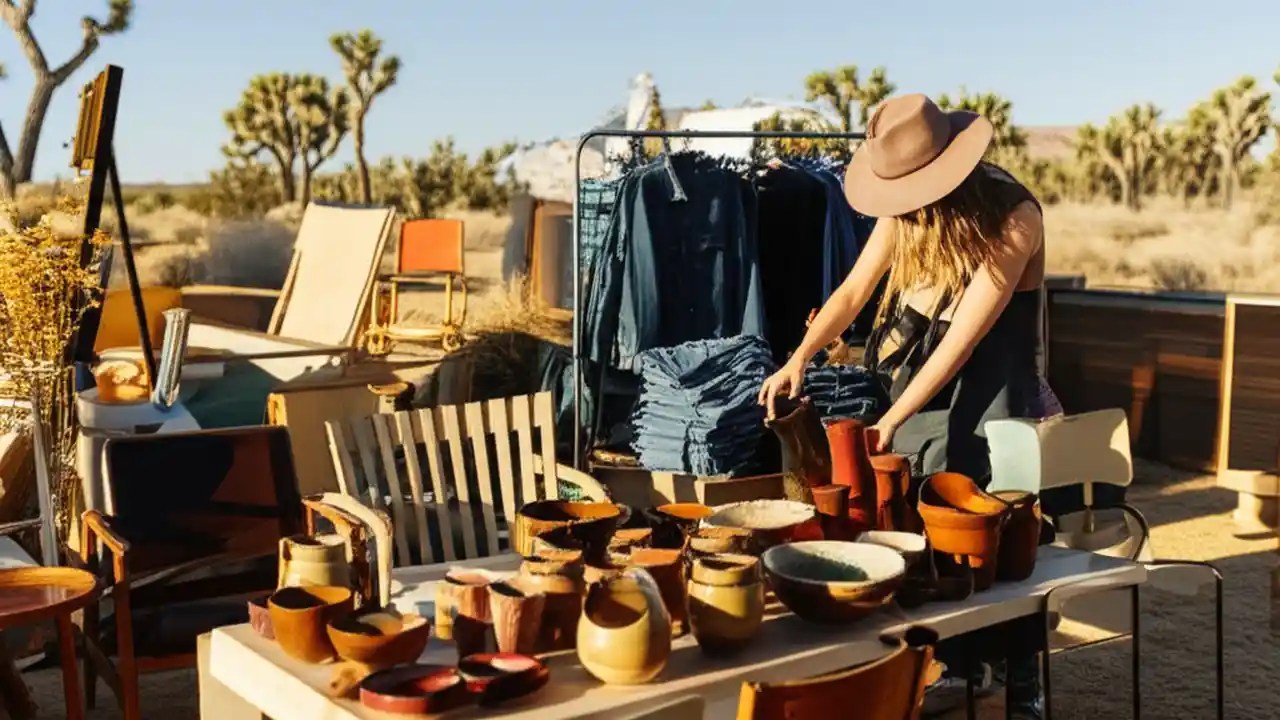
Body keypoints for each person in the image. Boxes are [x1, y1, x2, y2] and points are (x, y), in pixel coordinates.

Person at [757, 93, 1060, 719]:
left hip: (993, 393)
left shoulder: (1015, 215)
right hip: (923, 390)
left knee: (1001, 533)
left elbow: (964, 336)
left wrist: (892, 418)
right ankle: (961, 664)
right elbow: (852, 291)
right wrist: (800, 357)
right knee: (924, 530)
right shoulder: (909, 213)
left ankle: (1024, 681)